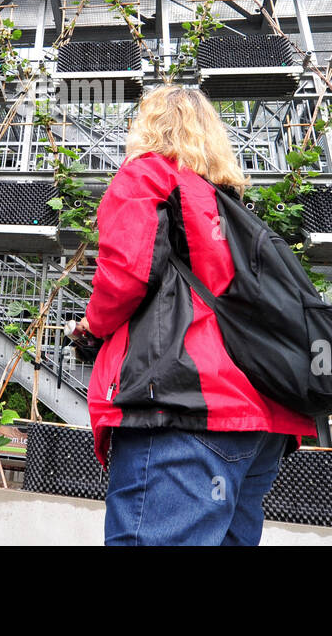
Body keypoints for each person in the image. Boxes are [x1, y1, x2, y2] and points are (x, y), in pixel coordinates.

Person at [68, 85, 316, 546]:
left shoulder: (147, 175)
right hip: (262, 425)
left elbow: (127, 271)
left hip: (185, 412)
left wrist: (93, 326)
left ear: (149, 128)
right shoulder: (231, 207)